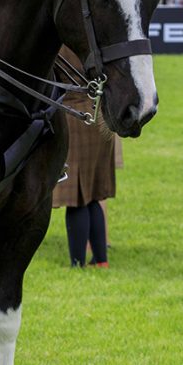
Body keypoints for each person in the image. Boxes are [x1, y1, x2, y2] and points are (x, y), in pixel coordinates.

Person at [54, 50, 120, 267]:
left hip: (74, 117)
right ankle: (101, 259)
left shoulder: (61, 45)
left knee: (77, 197)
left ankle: (77, 262)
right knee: (93, 194)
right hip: (100, 116)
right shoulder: (94, 40)